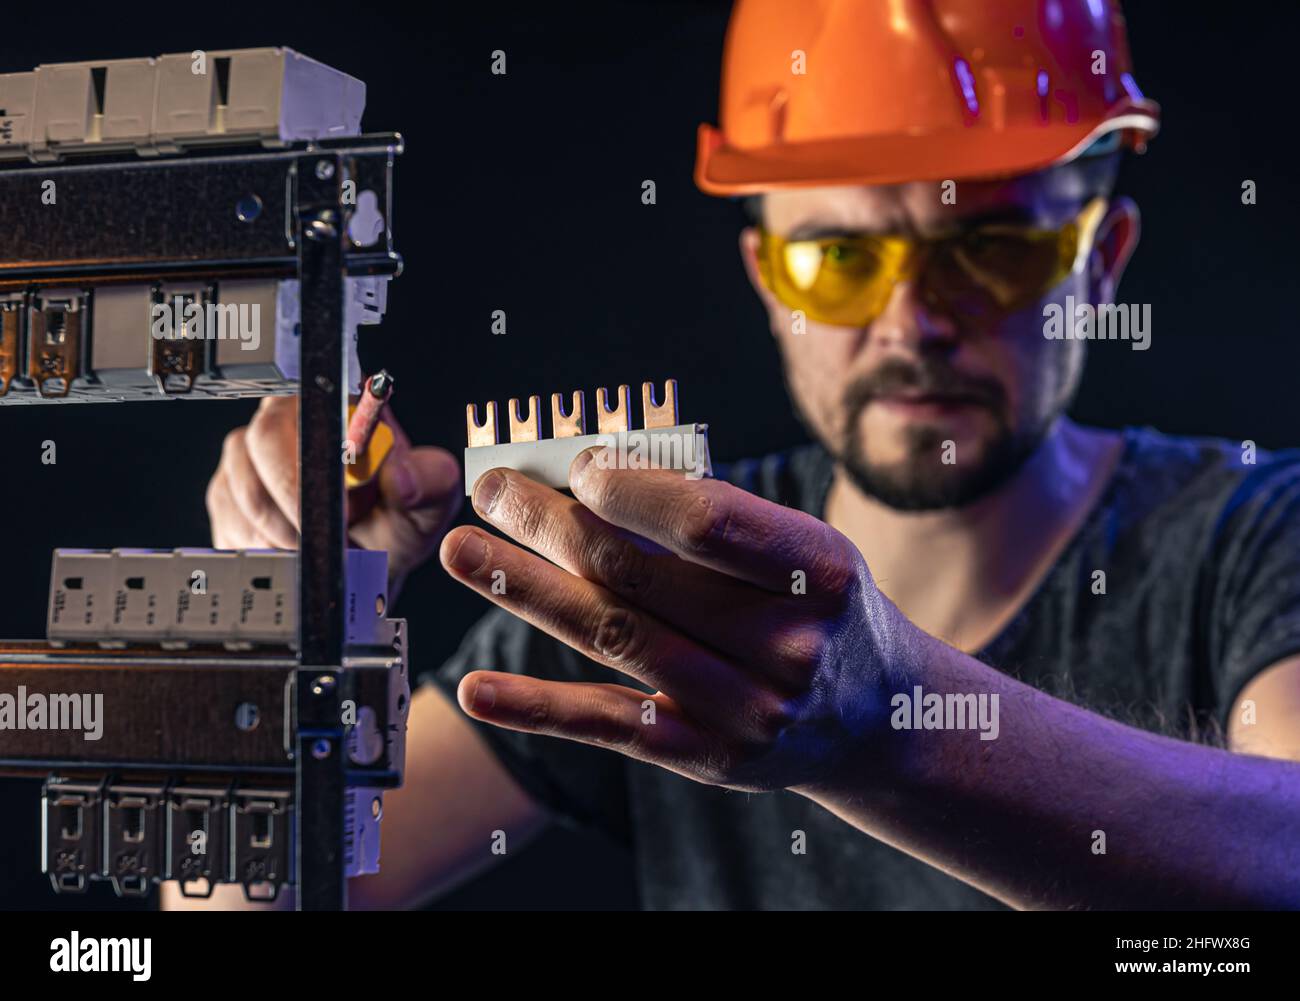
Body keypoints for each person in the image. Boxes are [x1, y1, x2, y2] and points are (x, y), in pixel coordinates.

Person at [170, 0, 1300, 910]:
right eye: (840, 258)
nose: (911, 320)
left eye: (992, 249)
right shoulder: (637, 578)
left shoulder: (1252, 533)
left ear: (1099, 266)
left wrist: (889, 721)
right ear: (769, 281)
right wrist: (304, 616)